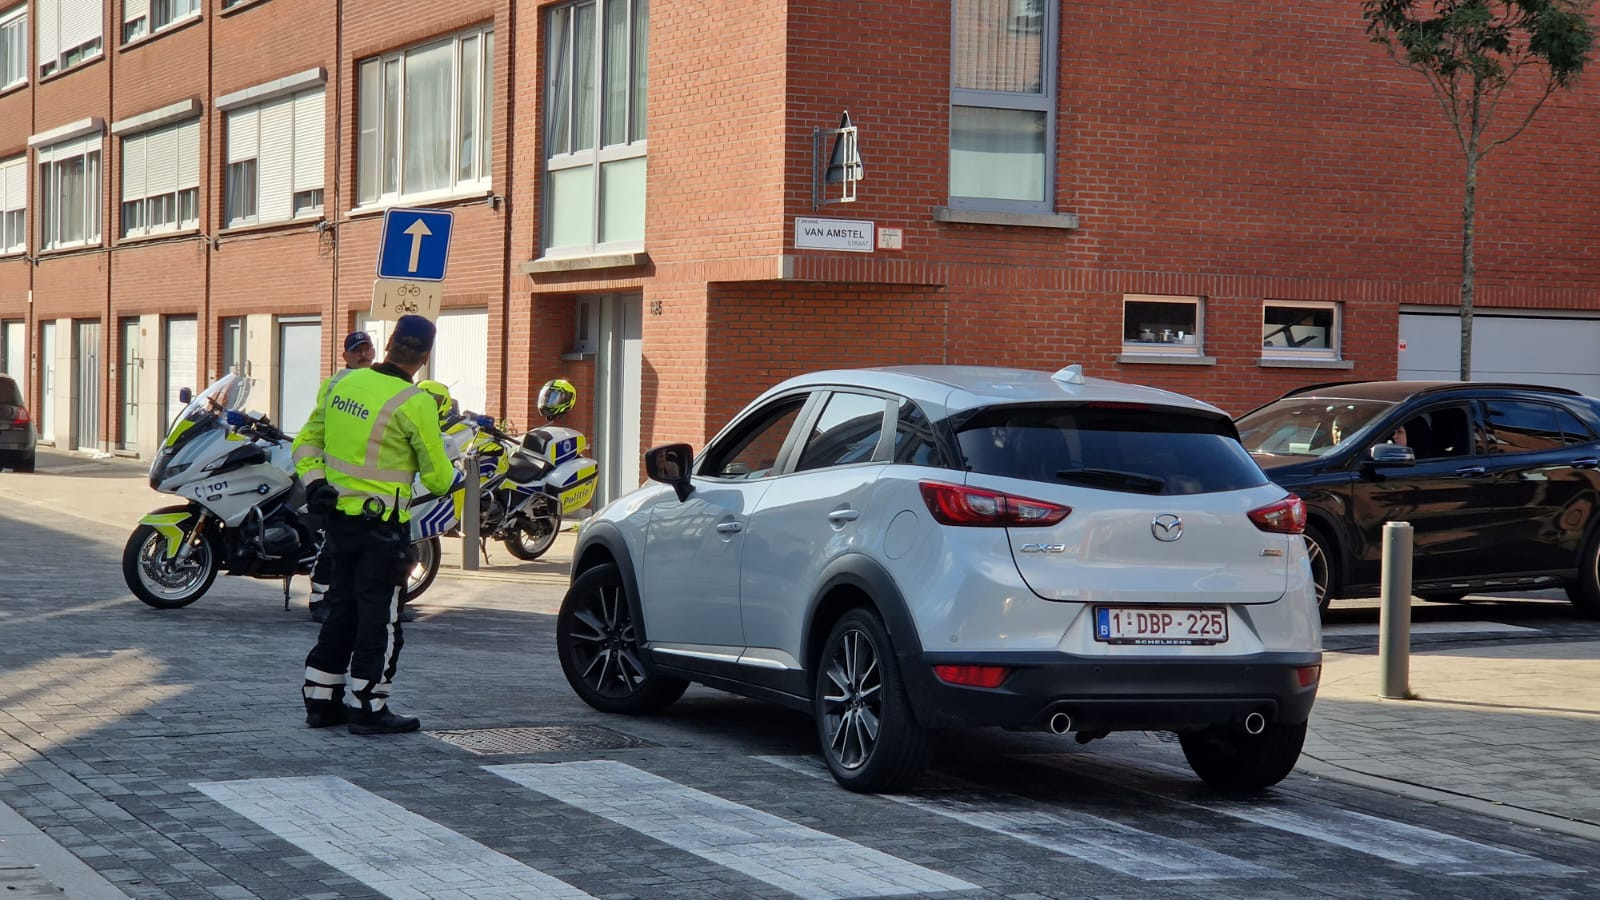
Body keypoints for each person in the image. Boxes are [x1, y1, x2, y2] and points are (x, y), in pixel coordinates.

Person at [293, 315, 455, 735]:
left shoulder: (343, 385)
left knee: (341, 609)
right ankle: (369, 706)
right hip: (383, 531)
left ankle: (321, 701)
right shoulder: (415, 403)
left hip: (338, 524)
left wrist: (316, 484)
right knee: (379, 619)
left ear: (388, 344)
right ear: (424, 356)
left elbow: (306, 442)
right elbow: (439, 480)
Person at [308, 331, 378, 623]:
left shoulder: (379, 382)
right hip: (339, 474)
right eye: (357, 350)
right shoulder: (335, 384)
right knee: (334, 541)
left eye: (367, 349)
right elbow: (321, 425)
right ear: (345, 356)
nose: (363, 354)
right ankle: (318, 598)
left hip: (371, 475)